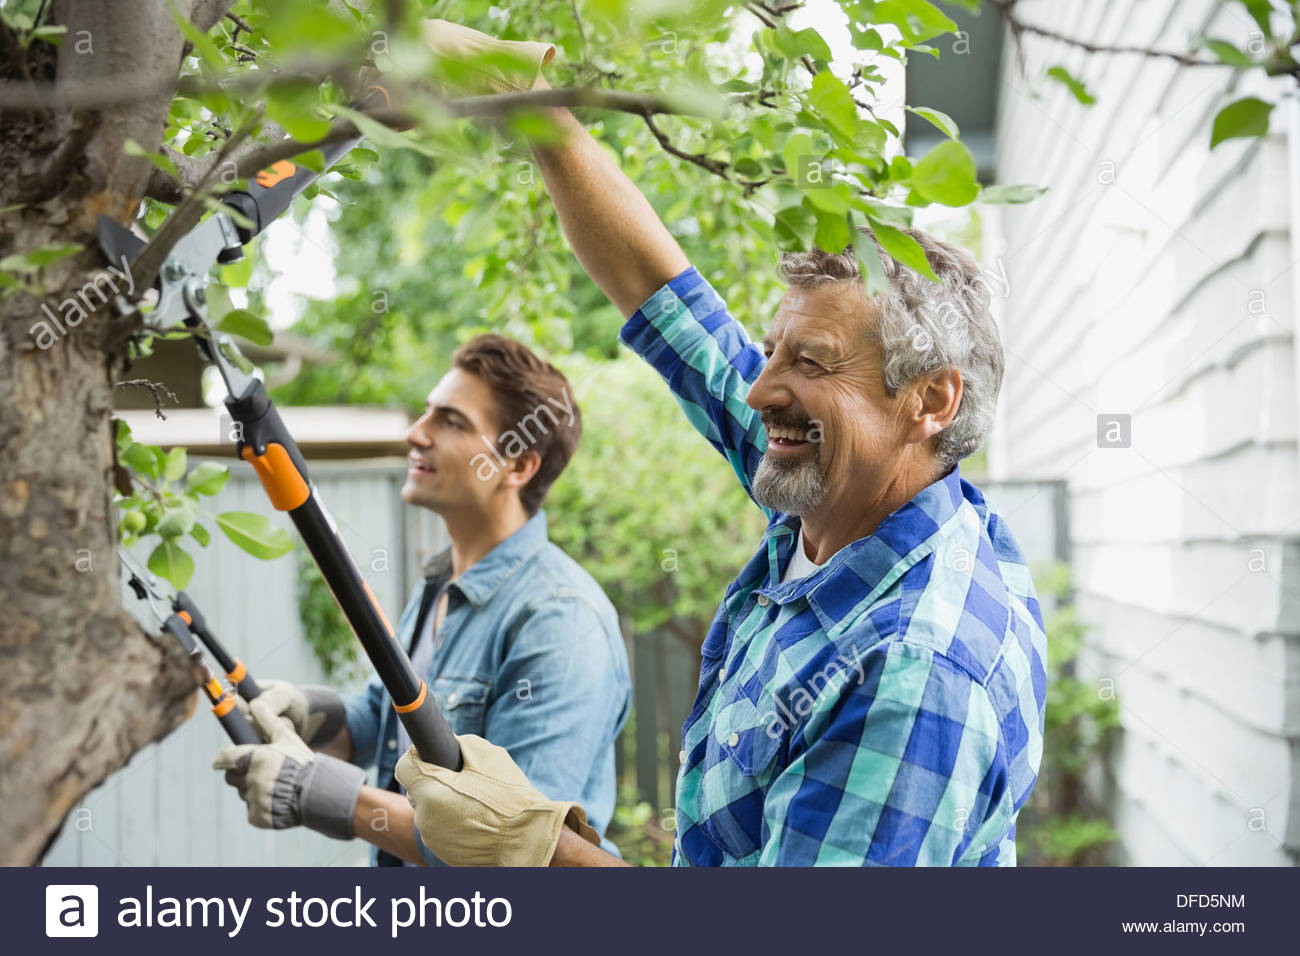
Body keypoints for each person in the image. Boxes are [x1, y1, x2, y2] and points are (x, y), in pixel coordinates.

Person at [393, 21, 1048, 868]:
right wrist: (536, 106)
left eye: (806, 362)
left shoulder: (913, 671)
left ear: (929, 401)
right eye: (772, 349)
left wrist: (532, 846)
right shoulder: (844, 489)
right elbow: (661, 295)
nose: (757, 388)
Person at [213, 333, 631, 866]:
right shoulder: (441, 585)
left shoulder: (560, 620)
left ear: (518, 465)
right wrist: (308, 715)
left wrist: (320, 793)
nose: (417, 433)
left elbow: (516, 846)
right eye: (427, 413)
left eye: (451, 421)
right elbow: (384, 722)